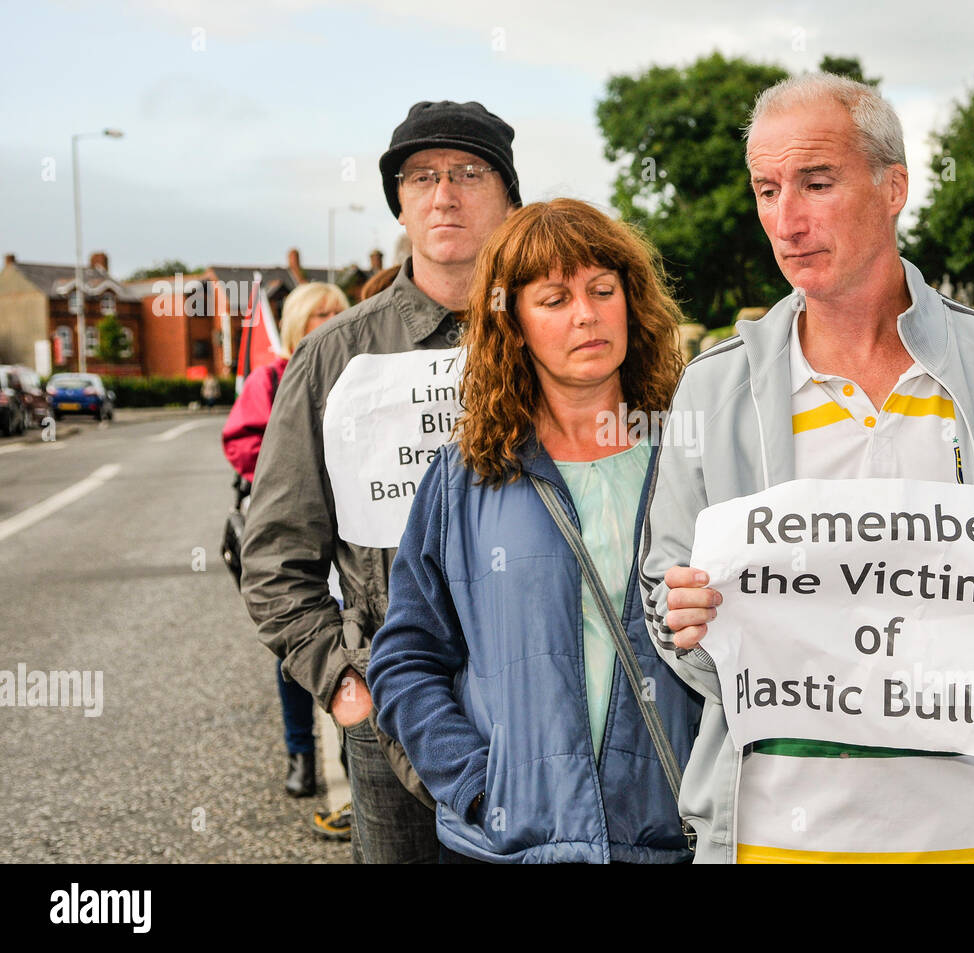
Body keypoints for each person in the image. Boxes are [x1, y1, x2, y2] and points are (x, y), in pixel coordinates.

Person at [638, 73, 974, 864]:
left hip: (967, 835)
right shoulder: (712, 387)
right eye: (766, 189)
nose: (786, 220)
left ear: (893, 187)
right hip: (771, 836)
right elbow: (661, 592)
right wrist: (687, 624)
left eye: (816, 183)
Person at [368, 199, 700, 863]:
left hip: (670, 840)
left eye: (603, 290)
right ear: (512, 324)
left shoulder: (695, 456)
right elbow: (405, 657)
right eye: (554, 298)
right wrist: (478, 787)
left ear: (631, 303)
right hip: (510, 845)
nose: (587, 314)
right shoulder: (465, 477)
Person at [239, 100, 522, 863]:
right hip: (392, 714)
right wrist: (343, 683)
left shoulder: (553, 334)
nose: (444, 194)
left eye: (469, 172)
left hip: (546, 712)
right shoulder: (335, 358)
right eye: (421, 176)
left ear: (508, 196)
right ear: (399, 199)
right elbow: (273, 555)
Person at [222, 281, 347, 816]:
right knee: (297, 641)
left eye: (337, 311)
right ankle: (301, 754)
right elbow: (241, 441)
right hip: (297, 521)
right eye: (319, 312)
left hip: (354, 523)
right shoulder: (271, 377)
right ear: (297, 322)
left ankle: (353, 745)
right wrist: (293, 465)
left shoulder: (362, 368)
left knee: (357, 635)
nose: (329, 319)